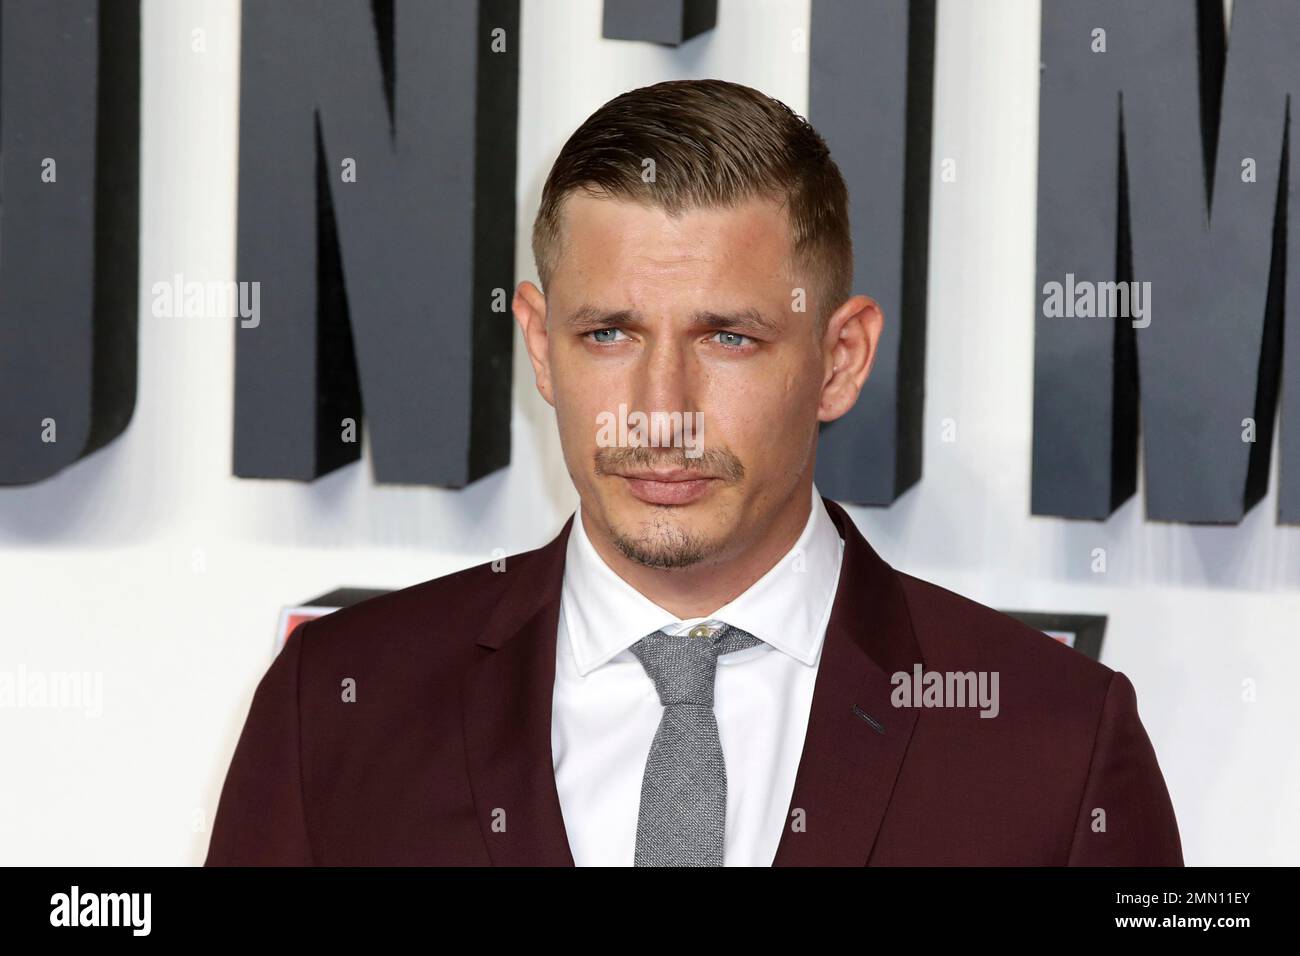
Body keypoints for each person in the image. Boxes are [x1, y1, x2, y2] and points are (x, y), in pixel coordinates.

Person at [206, 78, 1182, 866]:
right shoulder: (337, 706)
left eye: (728, 336)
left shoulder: (1051, 743)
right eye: (609, 332)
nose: (658, 406)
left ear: (839, 357)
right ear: (541, 347)